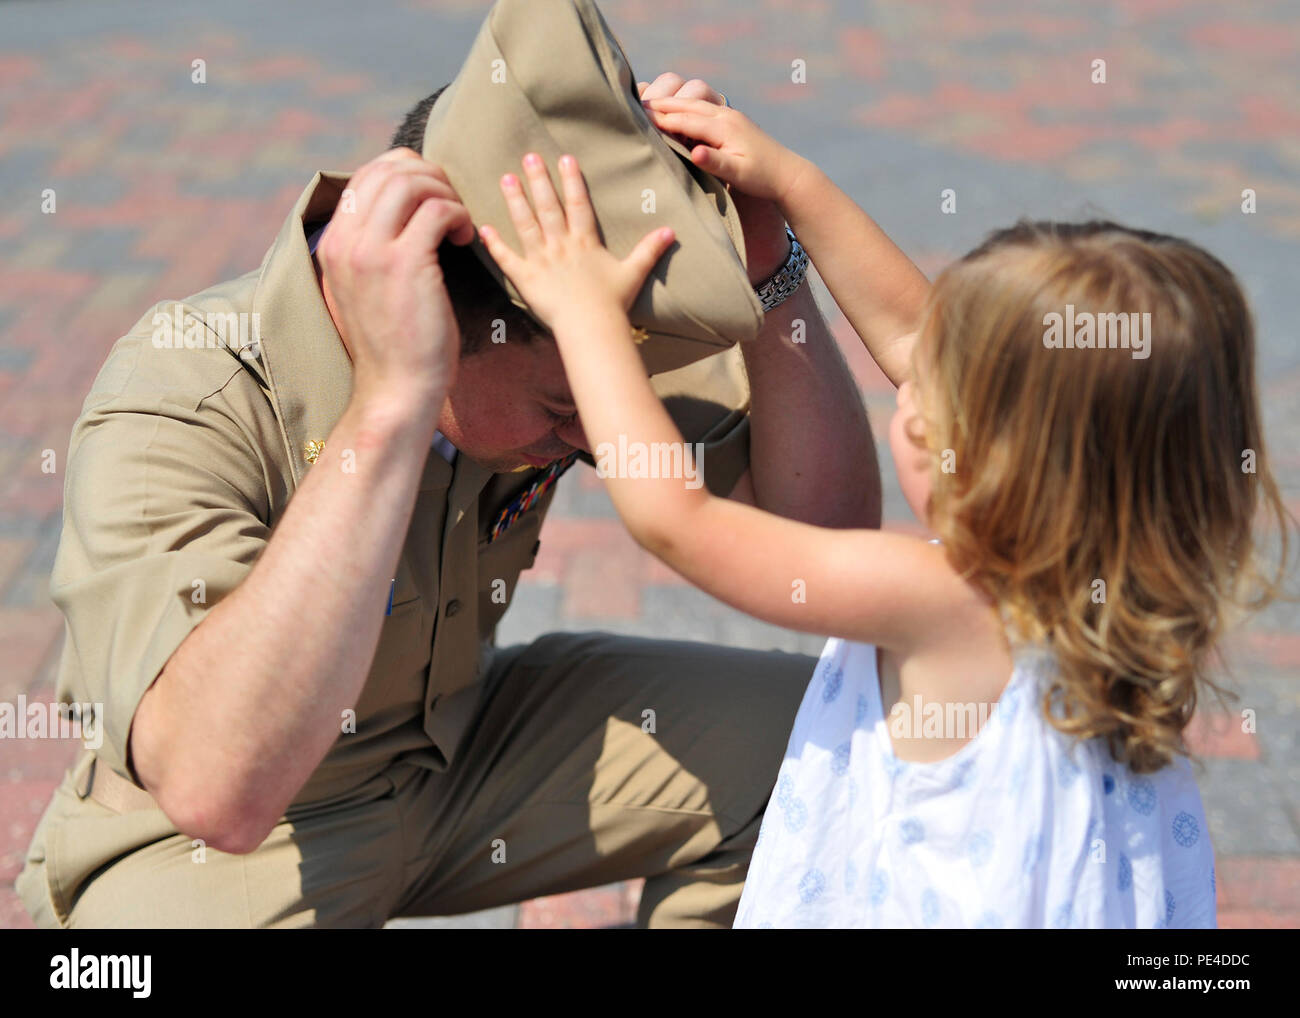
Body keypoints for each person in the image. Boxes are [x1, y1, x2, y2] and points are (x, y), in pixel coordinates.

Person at [18, 75, 917, 929]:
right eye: (566, 412)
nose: (593, 439)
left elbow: (816, 541)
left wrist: (771, 265)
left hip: (465, 752)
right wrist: (390, 402)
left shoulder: (561, 333)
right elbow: (221, 790)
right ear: (438, 314)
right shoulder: (180, 391)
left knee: (828, 751)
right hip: (233, 842)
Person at [475, 95, 1291, 928]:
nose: (908, 399)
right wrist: (788, 182)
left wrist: (586, 316)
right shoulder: (1133, 591)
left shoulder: (944, 601)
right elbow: (911, 332)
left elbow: (676, 519)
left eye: (931, 402)